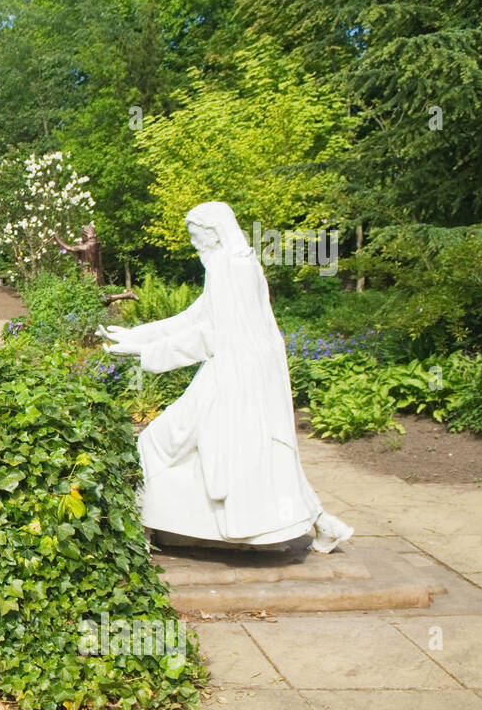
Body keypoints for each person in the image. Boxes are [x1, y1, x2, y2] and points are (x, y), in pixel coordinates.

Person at [98, 201, 353, 553]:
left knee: (161, 442)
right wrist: (135, 335)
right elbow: (196, 317)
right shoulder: (231, 263)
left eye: (194, 234)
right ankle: (322, 523)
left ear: (213, 232)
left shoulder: (232, 267)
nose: (193, 243)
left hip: (233, 378)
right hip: (236, 374)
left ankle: (148, 531)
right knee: (259, 457)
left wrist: (143, 352)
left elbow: (211, 335)